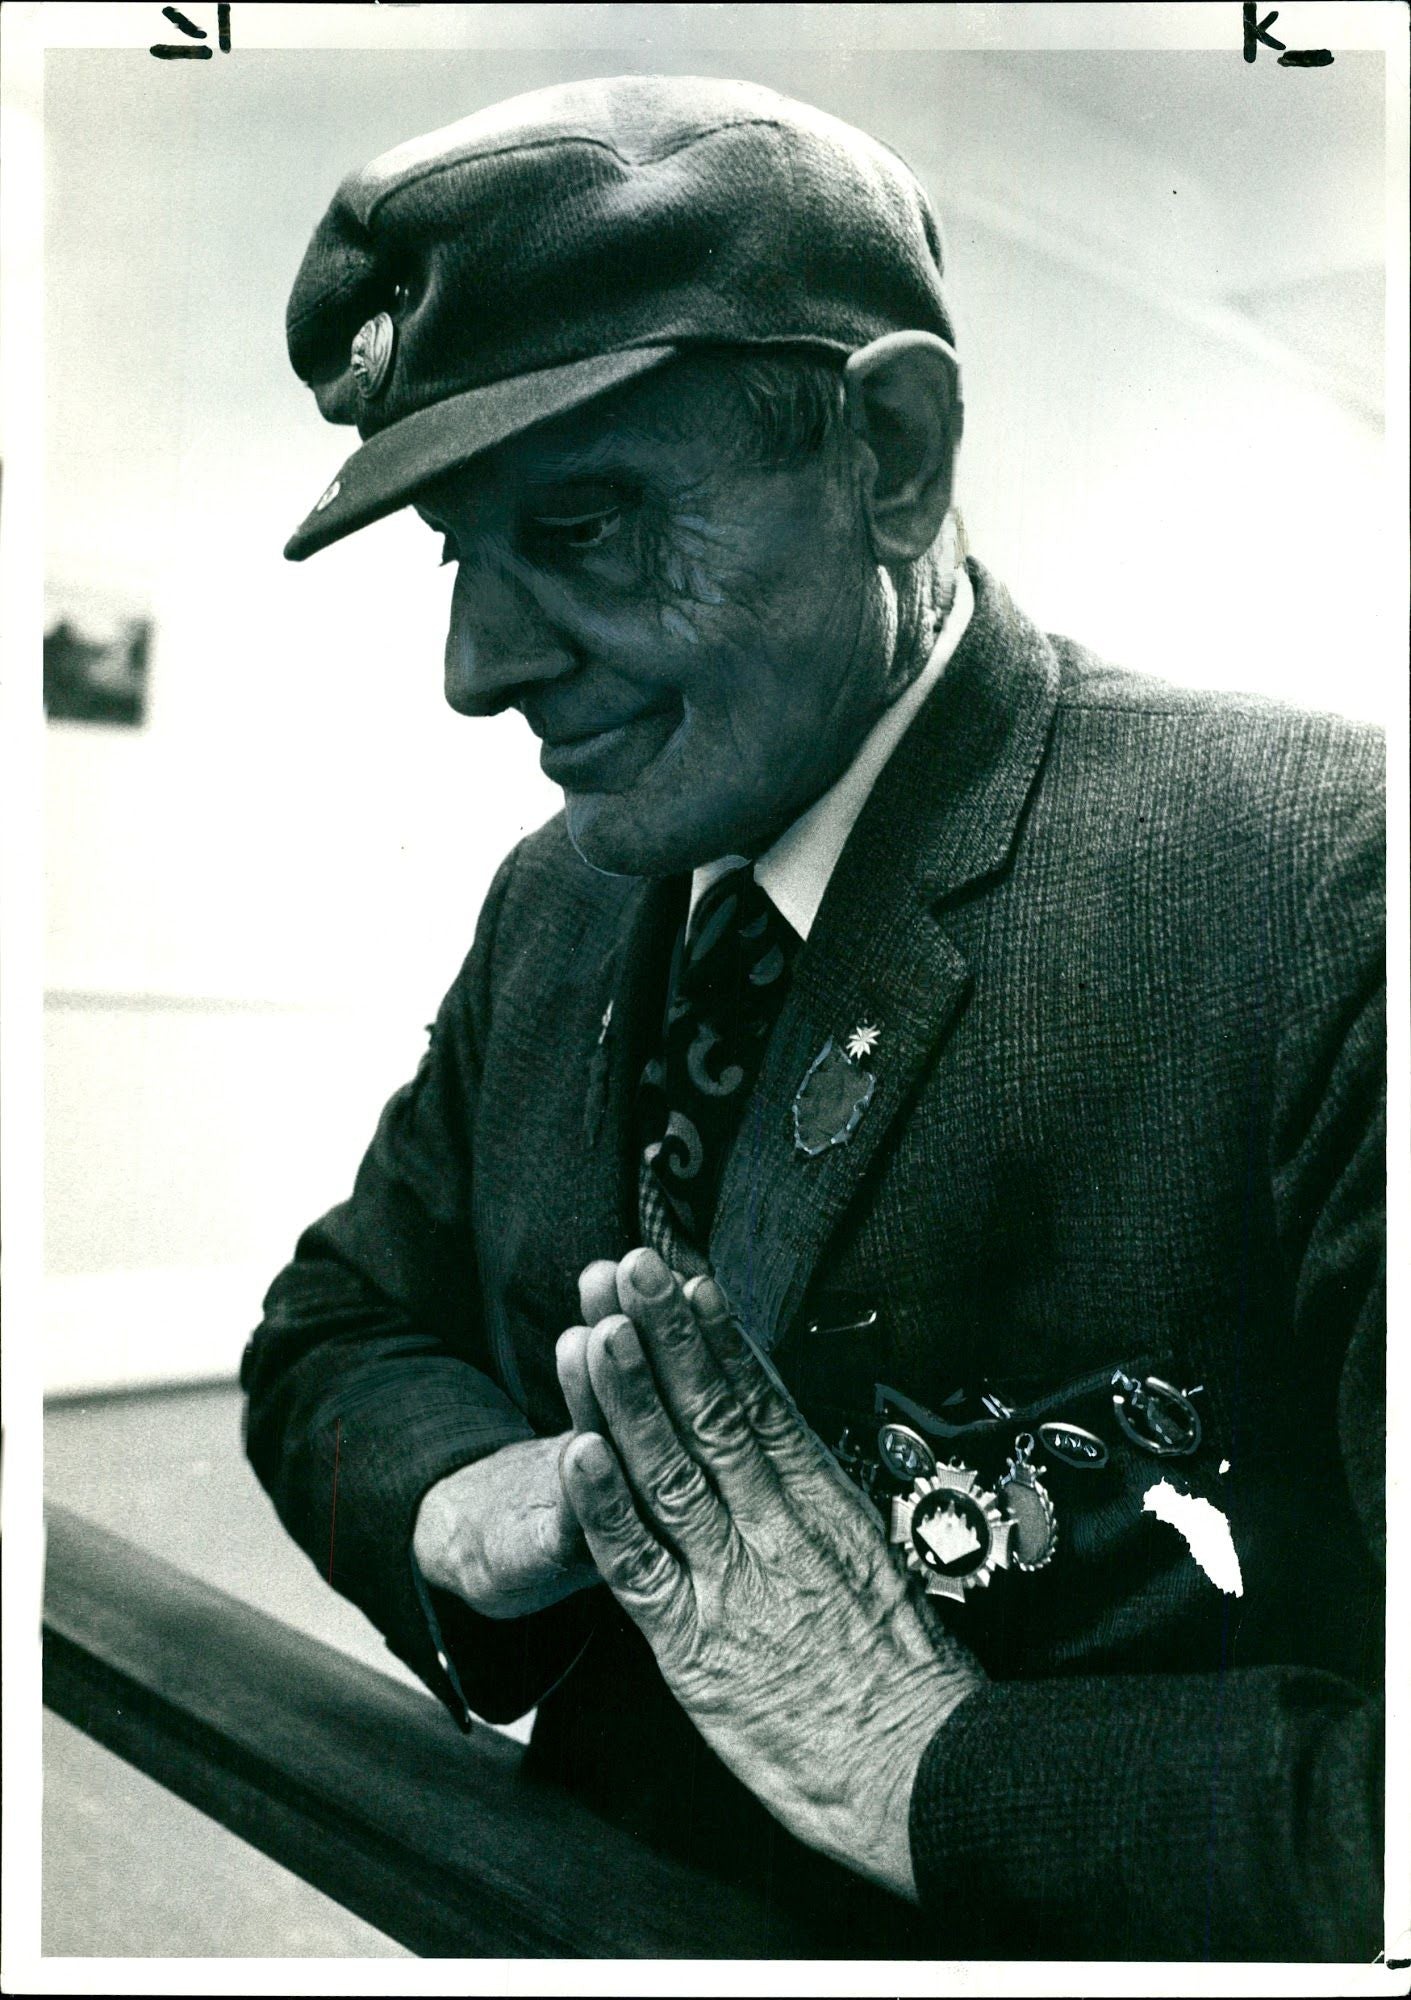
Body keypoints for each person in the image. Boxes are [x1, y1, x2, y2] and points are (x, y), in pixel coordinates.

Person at [241, 75, 1385, 1959]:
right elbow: (337, 1326)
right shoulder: (565, 897)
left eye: (590, 525)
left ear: (897, 452)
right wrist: (478, 1504)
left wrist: (931, 1761)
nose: (475, 671)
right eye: (463, 546)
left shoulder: (1330, 891)